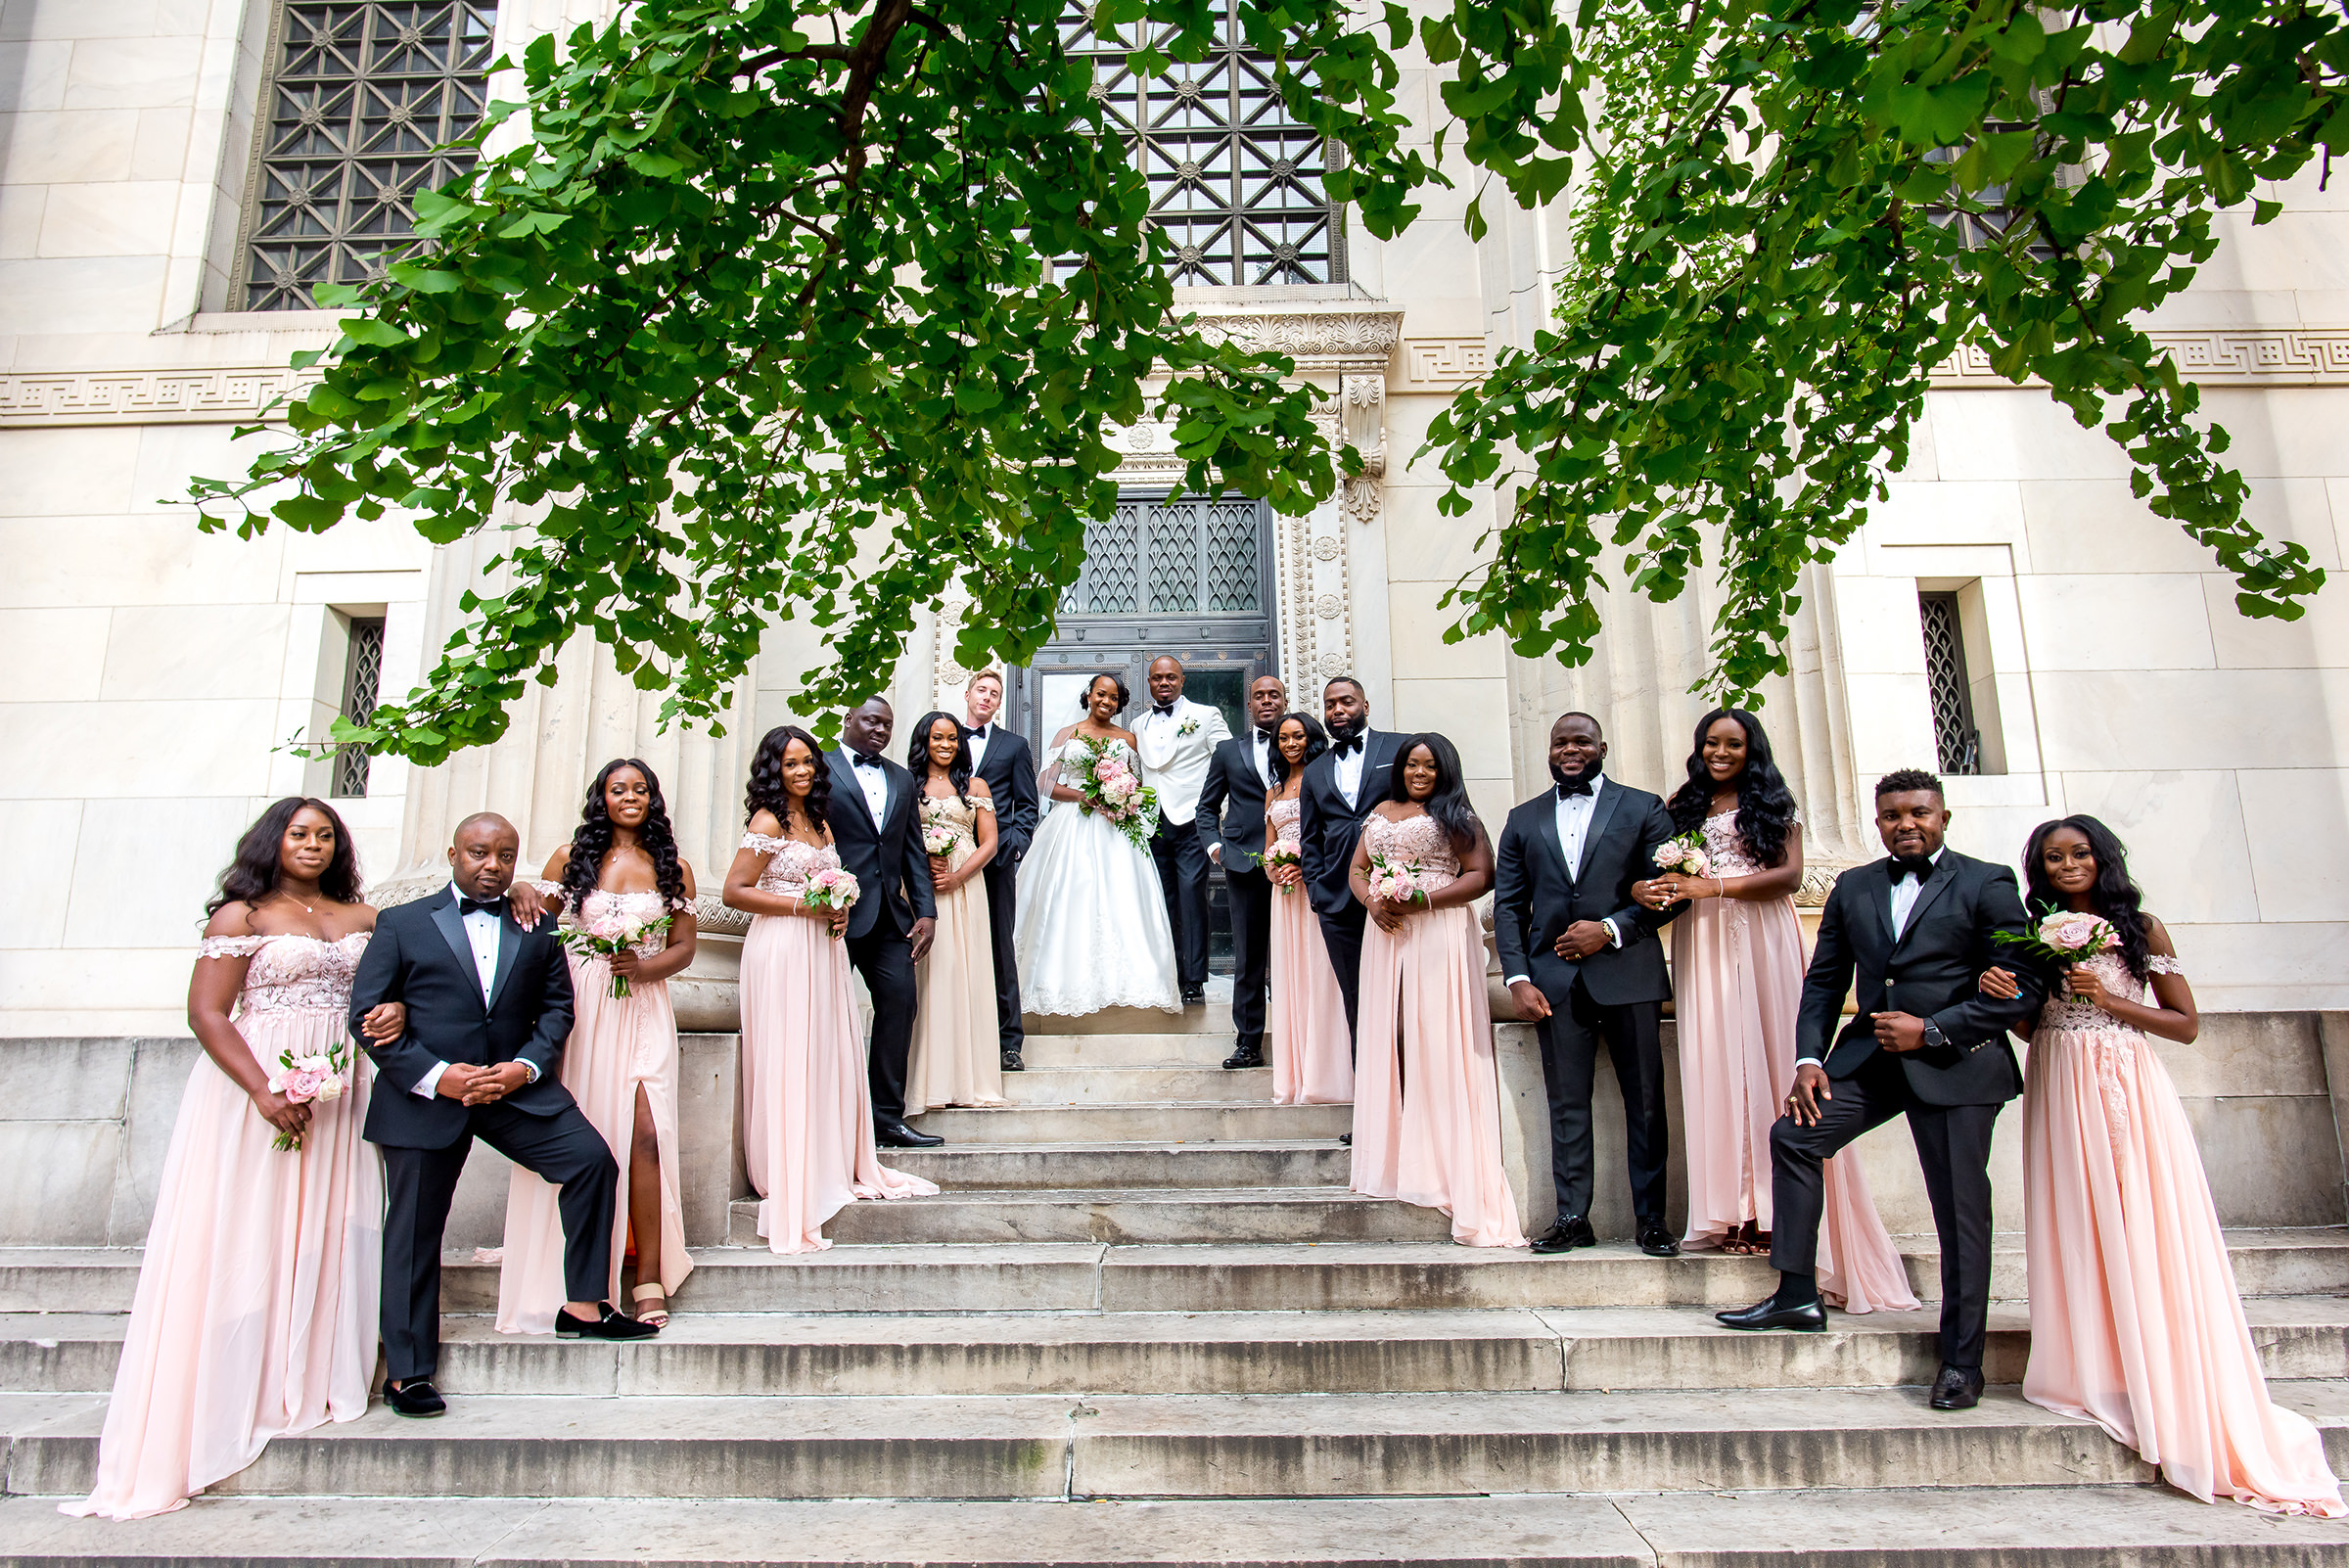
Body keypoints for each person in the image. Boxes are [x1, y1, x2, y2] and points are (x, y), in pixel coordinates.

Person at [1976, 817, 2344, 1515]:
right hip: (2058, 1077)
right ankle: (2094, 1360)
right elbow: (2033, 1022)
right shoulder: (2034, 934)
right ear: (2040, 870)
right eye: (2052, 858)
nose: (2067, 864)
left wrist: (2109, 999)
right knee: (2077, 1214)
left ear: (2102, 858)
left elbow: (2186, 1023)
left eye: (2079, 853)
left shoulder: (2142, 928)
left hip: (2123, 1076)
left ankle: (2157, 1352)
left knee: (2138, 1209)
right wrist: (2004, 1002)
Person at [65, 800, 403, 1519]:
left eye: (324, 835)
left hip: (342, 1090)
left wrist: (395, 1012)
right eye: (299, 833)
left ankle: (311, 1373)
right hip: (260, 1088)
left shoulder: (365, 917)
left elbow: (397, 990)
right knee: (250, 1228)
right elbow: (208, 1013)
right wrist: (260, 1089)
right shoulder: (242, 917)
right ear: (272, 842)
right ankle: (235, 1376)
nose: (312, 844)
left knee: (329, 1226)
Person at [1717, 768, 2042, 1416]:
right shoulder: (1855, 886)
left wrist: (1935, 1029)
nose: (1906, 824)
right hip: (1871, 1057)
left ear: (1942, 817)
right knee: (1797, 1136)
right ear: (1878, 821)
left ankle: (1960, 1362)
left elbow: (2022, 987)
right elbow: (1823, 982)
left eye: (1919, 813)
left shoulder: (1987, 881)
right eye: (1892, 815)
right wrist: (1810, 1057)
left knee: (1959, 1213)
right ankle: (1797, 1295)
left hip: (1958, 1063)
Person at [348, 811, 656, 1424]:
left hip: (514, 1090)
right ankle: (408, 1372)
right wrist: (441, 1076)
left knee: (592, 1163)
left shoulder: (536, 923)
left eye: (506, 856)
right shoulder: (402, 923)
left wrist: (526, 1068)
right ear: (453, 853)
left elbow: (556, 1010)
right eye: (479, 853)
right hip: (429, 1095)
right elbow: (367, 1016)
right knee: (412, 1229)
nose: (493, 866)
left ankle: (586, 1307)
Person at [1633, 711, 1915, 1311]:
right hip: (1701, 941)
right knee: (1713, 1061)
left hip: (1762, 934)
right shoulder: (1681, 804)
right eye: (1710, 742)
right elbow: (1654, 869)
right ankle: (1727, 1210)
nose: (1720, 752)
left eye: (1732, 743)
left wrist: (1717, 887)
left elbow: (1788, 876)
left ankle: (1772, 1211)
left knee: (1768, 1058)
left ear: (1750, 748)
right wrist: (1651, 887)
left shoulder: (1772, 801)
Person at [496, 759, 698, 1334]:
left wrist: (644, 966)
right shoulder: (571, 858)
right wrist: (519, 887)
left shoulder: (673, 866)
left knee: (647, 1133)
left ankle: (649, 1275)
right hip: (583, 1005)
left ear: (653, 799)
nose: (629, 796)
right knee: (590, 1132)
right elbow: (534, 927)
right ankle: (585, 1275)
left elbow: (683, 948)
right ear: (601, 798)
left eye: (639, 789)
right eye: (618, 789)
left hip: (644, 1003)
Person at [724, 725, 940, 1253]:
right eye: (790, 763)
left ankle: (829, 1154)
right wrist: (805, 906)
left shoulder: (819, 821)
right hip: (782, 949)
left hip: (823, 946)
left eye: (807, 763)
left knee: (825, 1052)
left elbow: (838, 875)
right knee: (790, 1054)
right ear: (773, 769)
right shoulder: (768, 820)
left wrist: (838, 907)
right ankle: (788, 1164)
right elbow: (735, 891)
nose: (801, 771)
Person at [1494, 712, 1683, 1260]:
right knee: (1566, 1102)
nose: (1570, 750)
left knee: (1645, 1100)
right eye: (1560, 743)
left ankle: (1651, 1220)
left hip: (1630, 974)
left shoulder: (1643, 807)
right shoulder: (1522, 818)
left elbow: (1669, 889)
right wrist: (1519, 977)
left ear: (1602, 746)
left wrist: (1609, 930)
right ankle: (1573, 1216)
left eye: (1581, 741)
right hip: (1554, 982)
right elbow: (1509, 906)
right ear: (1549, 751)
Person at [1347, 735, 1526, 1248]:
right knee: (1390, 1033)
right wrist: (1372, 903)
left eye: (1428, 765)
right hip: (1385, 931)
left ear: (1444, 769)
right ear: (1399, 768)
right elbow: (1358, 868)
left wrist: (1421, 901)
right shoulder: (1381, 809)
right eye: (1410, 764)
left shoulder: (1457, 814)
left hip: (1437, 928)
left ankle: (1441, 1159)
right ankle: (1395, 1150)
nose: (1418, 773)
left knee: (1435, 1035)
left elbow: (1481, 875)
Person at [1015, 672, 1183, 1015]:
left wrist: (1121, 796)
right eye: (1100, 694)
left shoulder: (1128, 739)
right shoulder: (1068, 734)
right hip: (1072, 826)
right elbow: (1045, 784)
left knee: (1123, 896)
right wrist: (1085, 796)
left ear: (1120, 704)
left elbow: (1138, 785)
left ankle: (1129, 981)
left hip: (1117, 828)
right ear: (1088, 695)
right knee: (1071, 892)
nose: (1106, 702)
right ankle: (1060, 980)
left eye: (1114, 698)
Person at [824, 698, 943, 1149]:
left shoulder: (900, 778)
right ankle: (826, 1118)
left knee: (900, 1005)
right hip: (832, 917)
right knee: (824, 1015)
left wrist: (926, 910)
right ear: (848, 718)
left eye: (888, 724)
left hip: (891, 918)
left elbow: (914, 848)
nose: (880, 729)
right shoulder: (819, 767)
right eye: (871, 720)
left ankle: (886, 1120)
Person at [904, 712, 1005, 1112]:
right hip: (922, 888)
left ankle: (968, 1078)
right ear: (924, 742)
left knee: (965, 972)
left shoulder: (975, 785)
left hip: (965, 889)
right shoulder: (909, 784)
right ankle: (928, 1080)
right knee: (931, 976)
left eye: (951, 738)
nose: (945, 745)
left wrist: (958, 876)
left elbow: (990, 842)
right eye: (936, 738)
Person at [1298, 676, 1406, 1042]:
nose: (1338, 710)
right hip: (1337, 903)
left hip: (1396, 895)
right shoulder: (1315, 770)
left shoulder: (1399, 749)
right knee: (1356, 996)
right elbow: (1310, 838)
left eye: (1346, 702)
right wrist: (1317, 891)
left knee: (1403, 992)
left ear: (1365, 706)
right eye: (1330, 705)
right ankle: (1369, 1089)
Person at [1263, 712, 1353, 1105]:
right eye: (1283, 738)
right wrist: (1274, 868)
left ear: (1311, 738)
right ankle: (1297, 1075)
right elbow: (1268, 846)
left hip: (1319, 887)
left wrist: (1306, 866)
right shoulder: (1275, 790)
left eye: (1298, 736)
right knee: (1293, 979)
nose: (1290, 744)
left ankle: (1329, 1075)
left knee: (1324, 976)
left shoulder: (1327, 777)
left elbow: (1335, 833)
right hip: (1284, 898)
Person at [1133, 655, 1233, 1005]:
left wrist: (1216, 811)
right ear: (1149, 682)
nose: (1164, 682)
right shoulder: (1137, 723)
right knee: (1161, 899)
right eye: (1157, 678)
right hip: (1150, 823)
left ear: (1182, 680)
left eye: (1171, 677)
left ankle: (1193, 979)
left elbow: (1229, 761)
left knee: (1192, 898)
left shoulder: (1206, 716)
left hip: (1192, 820)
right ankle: (1167, 973)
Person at [1199, 673, 1287, 1068]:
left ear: (1284, 703)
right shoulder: (1227, 751)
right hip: (1243, 865)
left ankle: (1299, 1037)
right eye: (1259, 696)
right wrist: (1217, 848)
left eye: (1274, 695)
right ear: (1249, 706)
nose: (1266, 701)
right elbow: (1206, 807)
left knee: (1295, 954)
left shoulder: (1304, 744)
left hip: (1295, 868)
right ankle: (1249, 1042)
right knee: (1249, 956)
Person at [960, 669, 1039, 1071]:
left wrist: (1015, 846)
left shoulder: (1014, 745)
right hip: (947, 855)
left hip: (996, 857)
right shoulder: (941, 735)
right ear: (968, 693)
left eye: (995, 693)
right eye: (982, 690)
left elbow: (1028, 804)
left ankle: (1009, 1042)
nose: (988, 697)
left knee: (999, 944)